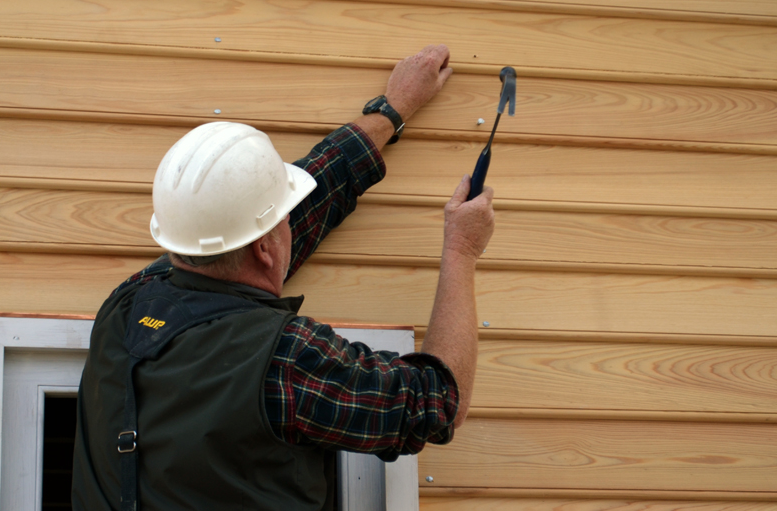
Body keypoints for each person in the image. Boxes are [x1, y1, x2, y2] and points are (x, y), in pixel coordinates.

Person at [71, 44, 495, 510]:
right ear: (265, 249)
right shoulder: (285, 360)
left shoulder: (126, 305)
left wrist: (390, 113)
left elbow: (266, 221)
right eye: (281, 222)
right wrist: (462, 249)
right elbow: (433, 404)